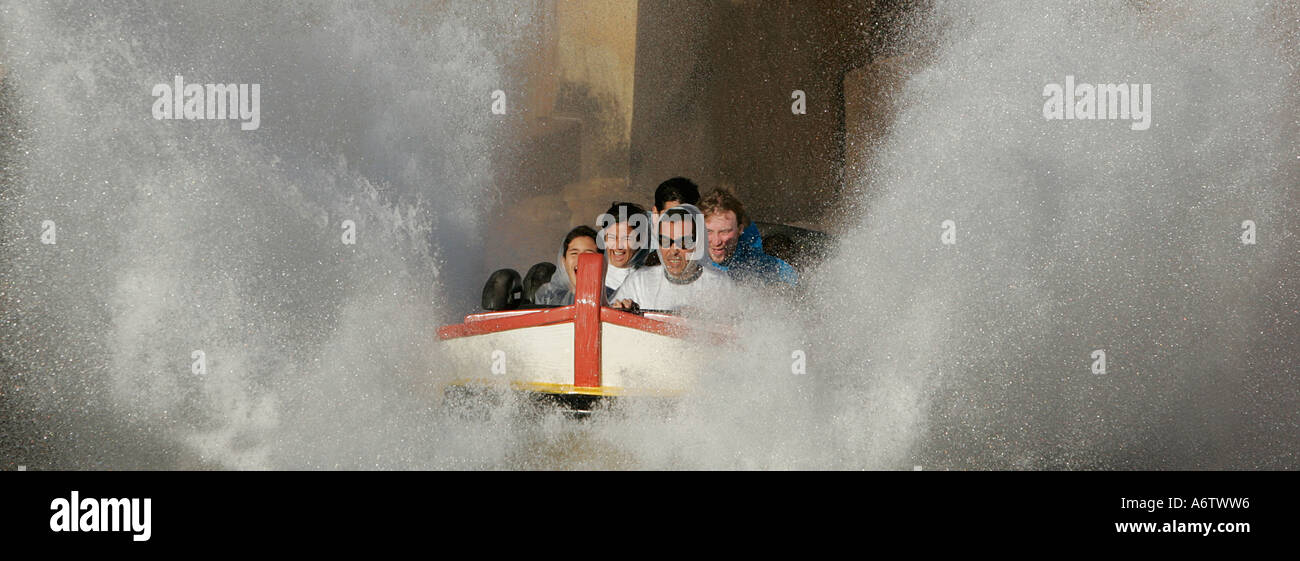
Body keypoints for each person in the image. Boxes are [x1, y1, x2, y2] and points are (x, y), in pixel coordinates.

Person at [610, 204, 733, 312]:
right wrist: (623, 312)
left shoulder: (721, 286)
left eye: (684, 242)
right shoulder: (639, 282)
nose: (674, 250)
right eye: (665, 241)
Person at [698, 188, 797, 286]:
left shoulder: (773, 270)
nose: (716, 242)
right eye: (708, 231)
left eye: (724, 232)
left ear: (740, 230)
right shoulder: (689, 265)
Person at [532, 225, 610, 306]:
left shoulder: (612, 297)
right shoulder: (548, 297)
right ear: (564, 262)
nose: (580, 260)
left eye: (588, 253)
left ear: (601, 263)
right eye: (574, 253)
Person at [596, 201, 652, 294]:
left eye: (626, 238)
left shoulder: (649, 281)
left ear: (641, 240)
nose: (618, 246)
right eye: (612, 237)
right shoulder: (593, 278)